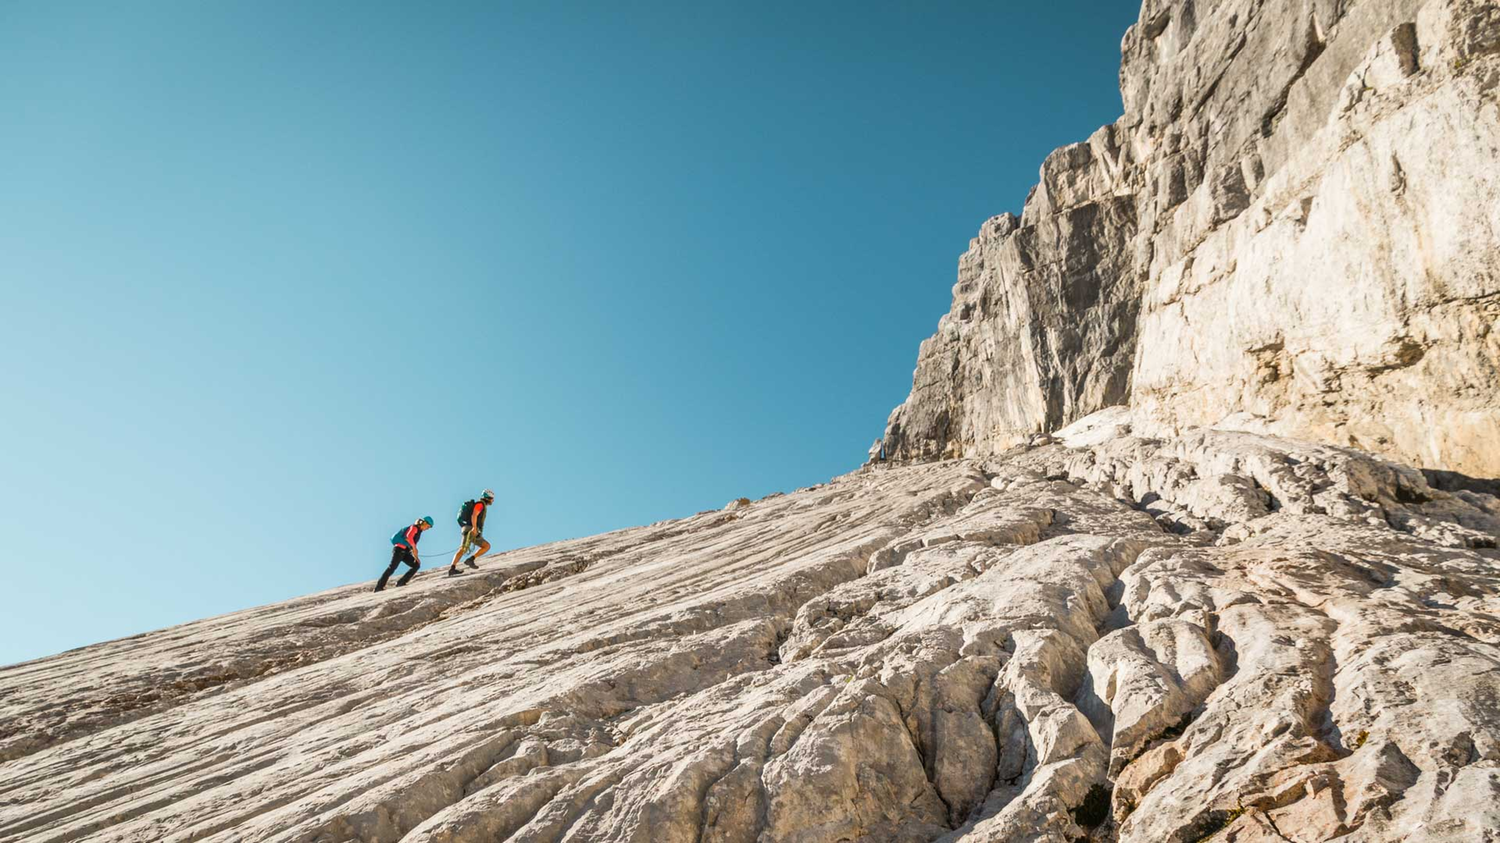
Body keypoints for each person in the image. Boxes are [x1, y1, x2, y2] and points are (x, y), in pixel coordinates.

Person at [375, 516, 433, 592]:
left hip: (405, 552)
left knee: (416, 565)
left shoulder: (419, 531)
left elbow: (412, 545)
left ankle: (401, 582)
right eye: (428, 526)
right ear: (424, 523)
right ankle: (379, 587)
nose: (427, 528)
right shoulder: (414, 527)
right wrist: (414, 548)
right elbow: (408, 537)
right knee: (392, 568)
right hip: (399, 550)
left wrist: (416, 558)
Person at [449, 489, 494, 576]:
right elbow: (474, 515)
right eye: (492, 499)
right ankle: (452, 569)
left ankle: (470, 560)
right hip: (470, 529)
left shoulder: (482, 505)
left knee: (486, 546)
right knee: (463, 549)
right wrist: (474, 528)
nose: (493, 501)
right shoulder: (480, 504)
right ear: (488, 498)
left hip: (472, 530)